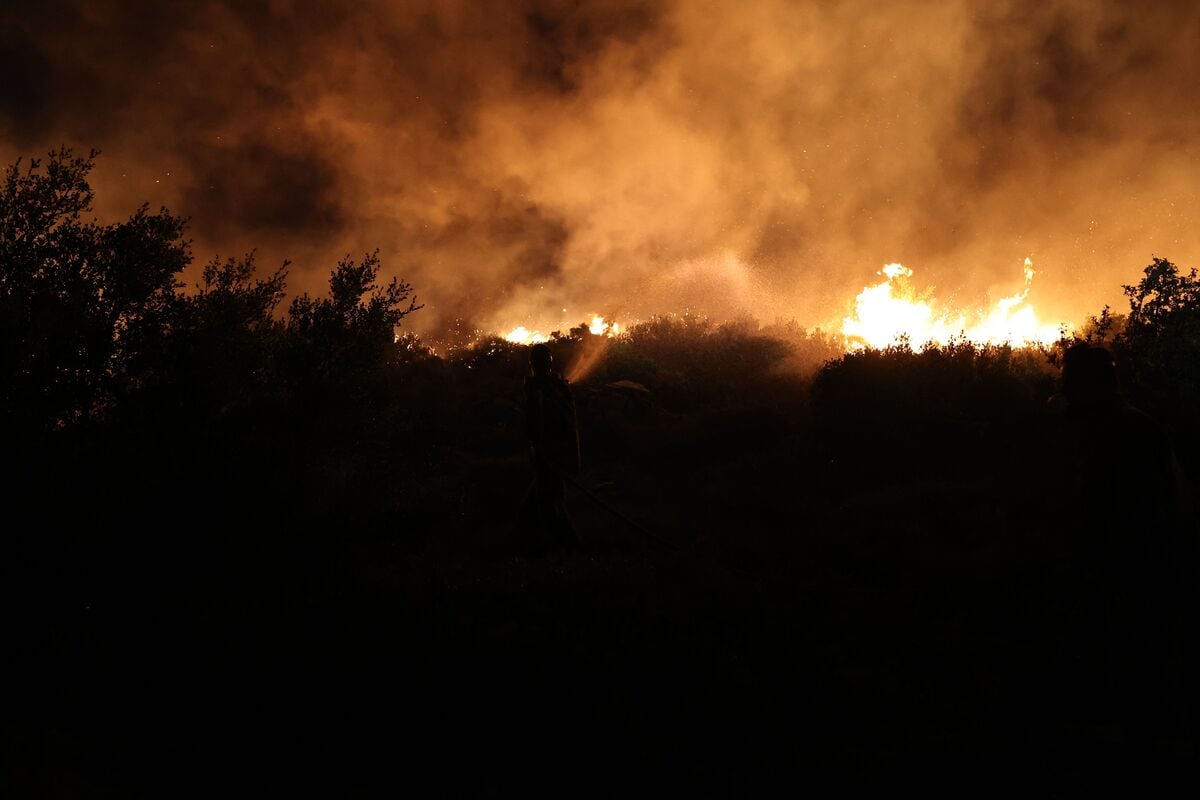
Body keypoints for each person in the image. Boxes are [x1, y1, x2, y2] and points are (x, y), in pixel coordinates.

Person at [1054, 344, 1196, 782]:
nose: (1063, 391)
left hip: (1133, 581)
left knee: (1133, 683)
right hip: (1147, 578)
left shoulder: (1117, 435)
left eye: (1068, 382)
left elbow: (1126, 517)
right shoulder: (1130, 426)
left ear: (1085, 385)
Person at [516, 343, 580, 551]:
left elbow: (536, 422)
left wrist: (539, 450)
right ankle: (521, 541)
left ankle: (568, 546)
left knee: (548, 502)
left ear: (532, 364)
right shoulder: (559, 387)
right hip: (559, 454)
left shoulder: (541, 389)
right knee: (542, 500)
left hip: (549, 456)